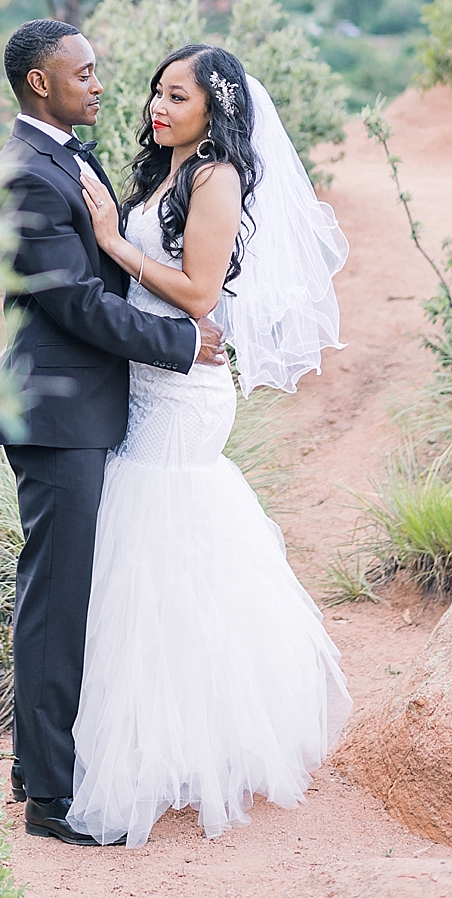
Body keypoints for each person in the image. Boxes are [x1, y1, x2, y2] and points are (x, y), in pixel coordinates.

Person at [67, 43, 350, 847]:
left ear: (214, 106)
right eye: (157, 93)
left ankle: (180, 754)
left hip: (184, 392)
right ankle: (164, 743)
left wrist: (112, 241)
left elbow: (197, 292)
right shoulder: (164, 173)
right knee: (150, 560)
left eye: (178, 96)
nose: (159, 107)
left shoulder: (216, 177)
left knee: (163, 554)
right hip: (146, 379)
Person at [0, 20, 227, 846]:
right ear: (40, 85)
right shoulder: (27, 173)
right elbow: (75, 305)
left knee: (69, 593)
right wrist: (183, 342)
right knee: (58, 601)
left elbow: (111, 267)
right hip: (56, 414)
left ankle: (36, 763)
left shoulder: (73, 156)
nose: (100, 83)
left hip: (91, 409)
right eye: (83, 72)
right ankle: (51, 799)